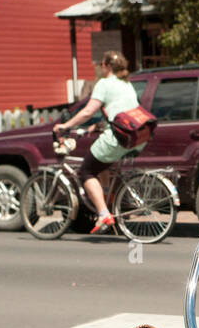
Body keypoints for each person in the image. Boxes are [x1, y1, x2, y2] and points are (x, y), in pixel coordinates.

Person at [53, 51, 138, 234]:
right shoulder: (126, 83)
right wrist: (97, 127)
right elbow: (121, 111)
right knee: (102, 164)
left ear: (106, 66)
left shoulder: (104, 83)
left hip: (116, 136)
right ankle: (107, 197)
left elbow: (87, 112)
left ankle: (103, 213)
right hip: (134, 136)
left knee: (86, 171)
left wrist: (65, 125)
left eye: (101, 64)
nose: (100, 68)